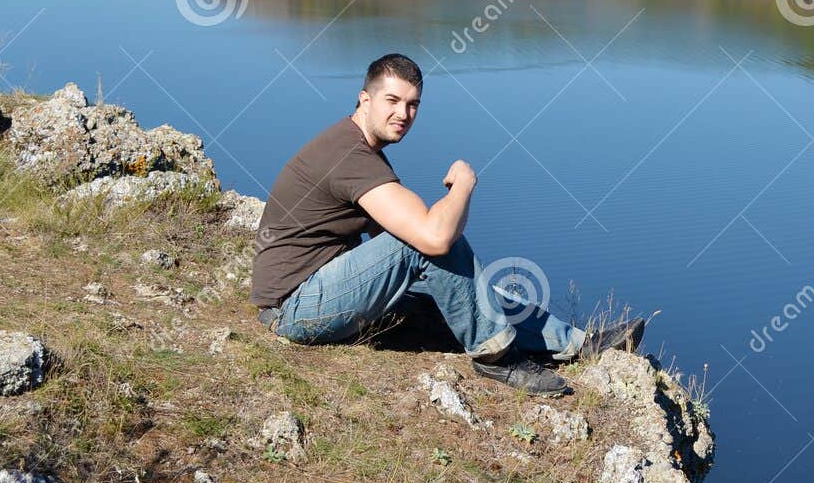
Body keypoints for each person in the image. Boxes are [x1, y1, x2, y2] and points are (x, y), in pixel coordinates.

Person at [249, 52, 641, 396]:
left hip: (324, 290)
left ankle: (577, 343)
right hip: (293, 309)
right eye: (392, 100)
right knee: (433, 239)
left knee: (462, 282)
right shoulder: (348, 156)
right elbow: (431, 239)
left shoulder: (359, 152)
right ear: (364, 99)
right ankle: (496, 358)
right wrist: (464, 185)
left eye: (413, 104)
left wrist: (458, 282)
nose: (403, 114)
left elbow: (394, 239)